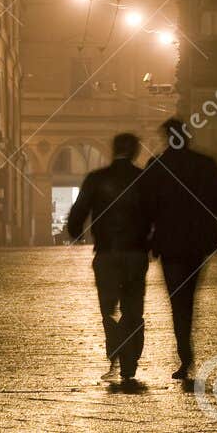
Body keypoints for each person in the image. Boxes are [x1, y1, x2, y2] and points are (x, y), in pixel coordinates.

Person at [143, 118, 217, 383]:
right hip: (197, 241)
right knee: (189, 296)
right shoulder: (205, 164)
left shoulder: (158, 165)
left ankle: (185, 354)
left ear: (166, 137)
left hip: (169, 241)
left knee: (177, 298)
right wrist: (204, 213)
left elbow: (146, 204)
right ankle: (186, 353)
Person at [66, 133, 152, 390]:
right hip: (136, 254)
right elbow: (156, 213)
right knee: (133, 308)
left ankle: (115, 345)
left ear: (113, 151)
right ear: (136, 152)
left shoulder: (96, 179)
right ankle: (130, 359)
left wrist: (75, 231)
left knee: (108, 309)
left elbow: (79, 210)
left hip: (106, 254)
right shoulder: (143, 179)